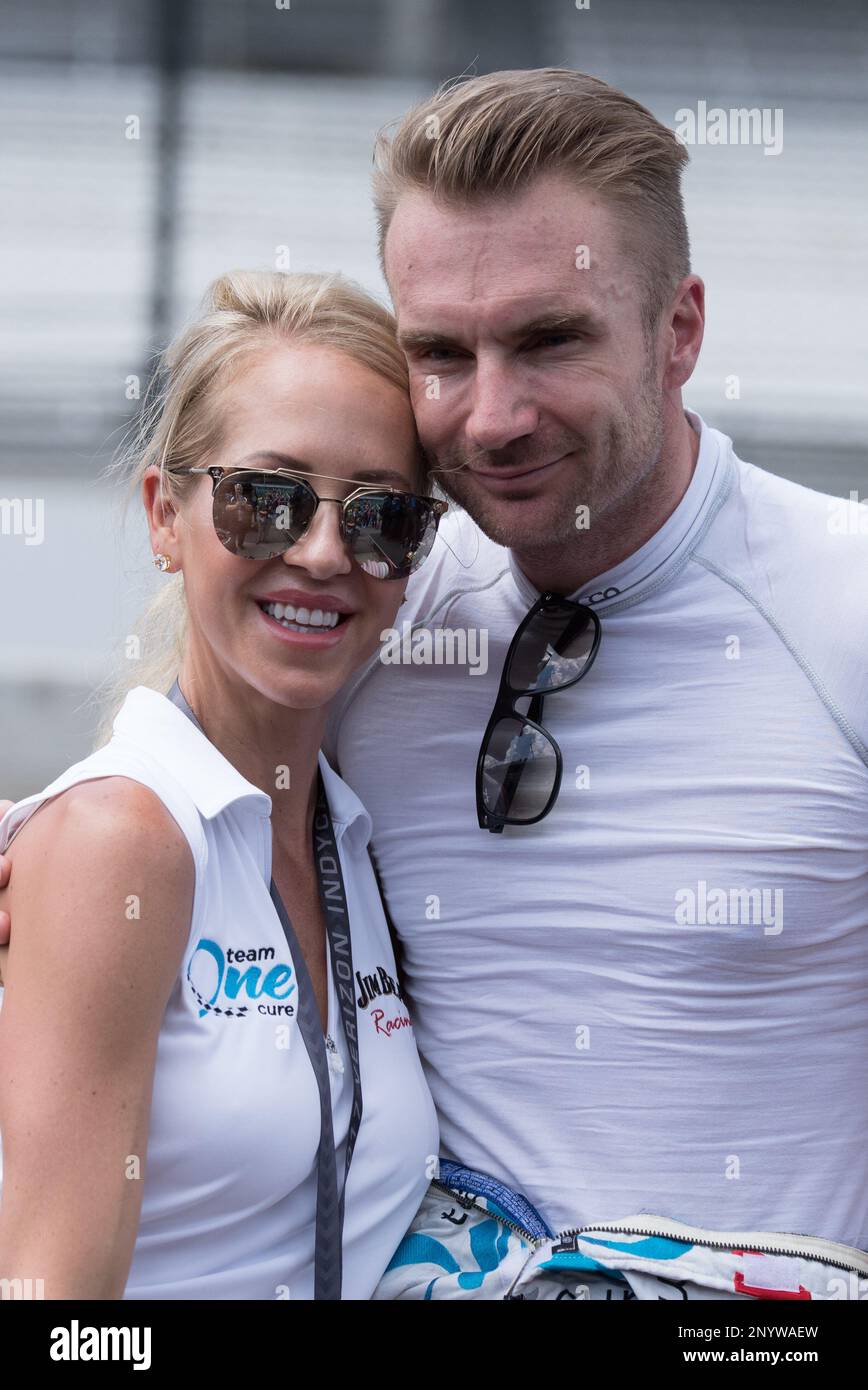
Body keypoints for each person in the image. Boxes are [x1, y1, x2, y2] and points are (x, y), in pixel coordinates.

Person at [2, 67, 867, 1299]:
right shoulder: (379, 598)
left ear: (680, 331)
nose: (493, 416)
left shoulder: (838, 601)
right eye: (442, 353)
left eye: (549, 339)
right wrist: (60, 862)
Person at [0, 269, 444, 1300]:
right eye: (266, 501)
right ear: (166, 515)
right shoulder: (120, 841)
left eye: (381, 516)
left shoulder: (356, 835)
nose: (323, 553)